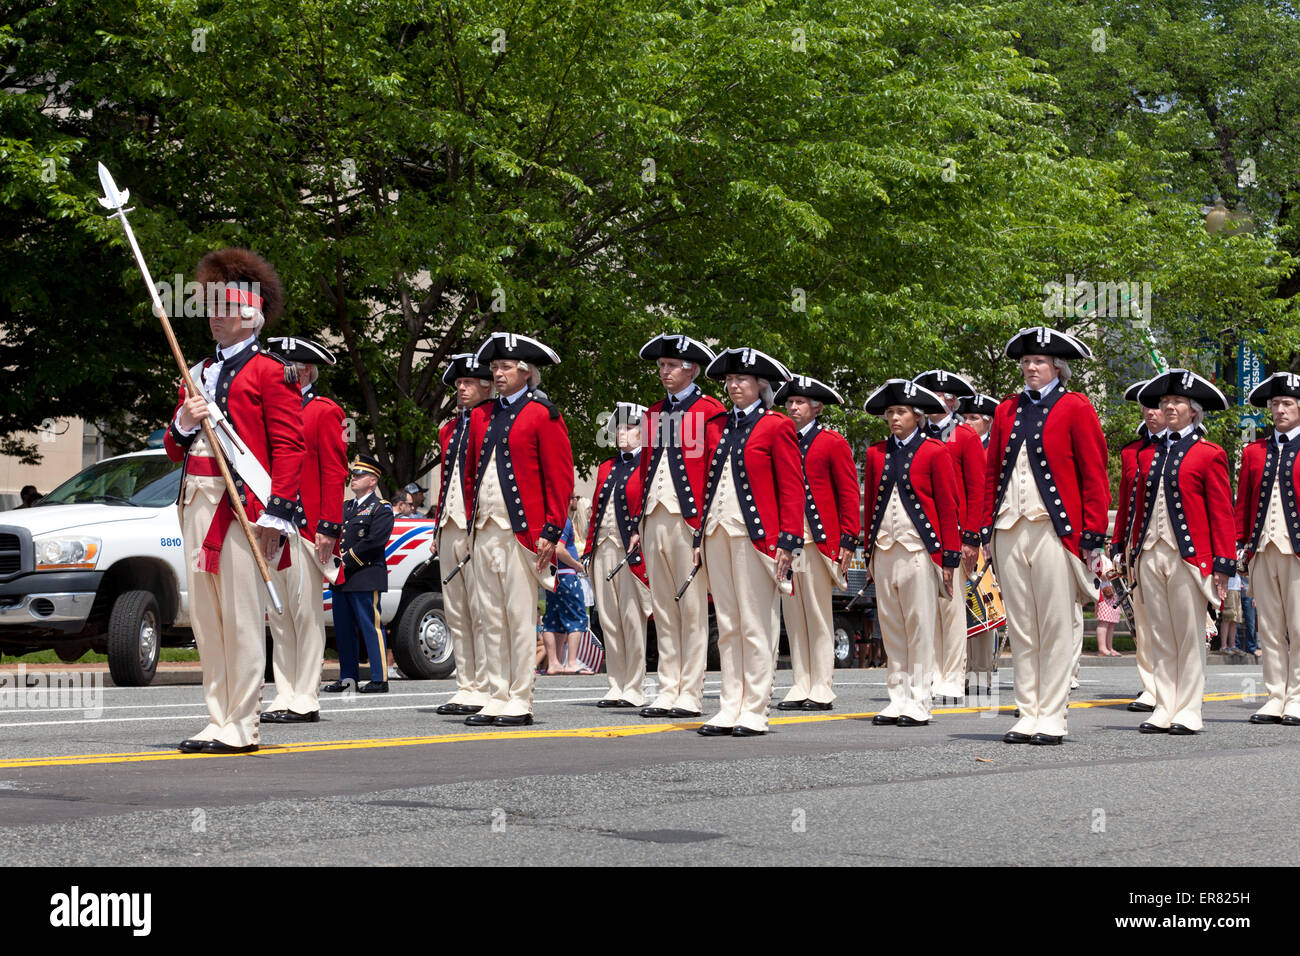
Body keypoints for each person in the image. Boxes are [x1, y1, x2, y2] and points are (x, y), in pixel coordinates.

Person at [163, 248, 305, 754]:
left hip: (244, 505)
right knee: (207, 618)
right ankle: (217, 716)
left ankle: (242, 723)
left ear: (251, 314)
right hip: (196, 503)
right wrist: (183, 420)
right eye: (210, 307)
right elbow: (175, 445)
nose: (213, 317)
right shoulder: (196, 371)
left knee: (244, 618)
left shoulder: (274, 372)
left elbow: (290, 447)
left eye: (224, 308)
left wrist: (277, 514)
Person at [980, 327, 1110, 746]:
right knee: (1020, 625)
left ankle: (1052, 714)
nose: (1029, 368)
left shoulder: (1076, 407)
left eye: (1037, 362)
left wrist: (1092, 535)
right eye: (1025, 362)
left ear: (1057, 367)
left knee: (1055, 625)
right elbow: (991, 475)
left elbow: (1094, 474)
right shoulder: (1006, 411)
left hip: (1055, 531)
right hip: (1008, 528)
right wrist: (982, 530)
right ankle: (1028, 710)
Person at [691, 347, 804, 737]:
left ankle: (755, 708)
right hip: (717, 533)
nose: (733, 385)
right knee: (728, 624)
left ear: (761, 385)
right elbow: (707, 483)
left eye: (742, 379)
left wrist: (789, 541)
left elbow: (792, 487)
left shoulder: (777, 425)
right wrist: (697, 533)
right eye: (730, 380)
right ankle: (729, 705)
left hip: (757, 538)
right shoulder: (716, 426)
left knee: (756, 623)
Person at [463, 332, 574, 727]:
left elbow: (559, 478)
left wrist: (551, 529)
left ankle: (520, 698)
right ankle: (496, 694)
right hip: (485, 529)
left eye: (505, 367)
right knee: (489, 615)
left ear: (526, 372)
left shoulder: (544, 415)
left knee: (519, 614)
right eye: (494, 368)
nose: (498, 373)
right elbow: (470, 476)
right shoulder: (481, 416)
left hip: (523, 533)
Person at [1128, 370, 1233, 735]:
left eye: (1177, 402)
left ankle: (1189, 708)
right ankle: (1164, 704)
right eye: (1165, 402)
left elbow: (1221, 513)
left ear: (1194, 412)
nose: (1169, 407)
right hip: (1151, 552)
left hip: (1189, 557)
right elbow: (1139, 508)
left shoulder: (1209, 454)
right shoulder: (1149, 453)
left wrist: (1223, 564)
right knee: (1159, 633)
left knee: (1188, 634)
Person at [629, 333, 726, 720]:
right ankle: (667, 689)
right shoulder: (653, 414)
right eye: (661, 366)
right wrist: (638, 521)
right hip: (654, 517)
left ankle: (691, 692)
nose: (664, 372)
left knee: (690, 608)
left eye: (671, 366)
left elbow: (715, 472)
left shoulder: (710, 411)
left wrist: (704, 525)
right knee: (664, 608)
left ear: (691, 369)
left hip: (689, 520)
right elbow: (647, 468)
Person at [862, 379, 960, 727]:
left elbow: (948, 508)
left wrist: (949, 559)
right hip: (884, 551)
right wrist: (868, 552)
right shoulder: (875, 453)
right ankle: (897, 698)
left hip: (919, 551)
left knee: (919, 626)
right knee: (891, 627)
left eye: (900, 411)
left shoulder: (935, 451)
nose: (893, 418)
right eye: (889, 412)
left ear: (917, 416)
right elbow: (871, 504)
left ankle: (919, 700)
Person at [261, 336, 348, 724]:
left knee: (304, 612)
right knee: (278, 614)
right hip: (272, 523)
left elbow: (334, 472)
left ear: (307, 370)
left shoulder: (325, 411)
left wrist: (329, 527)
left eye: (288, 365)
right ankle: (284, 692)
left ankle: (306, 695)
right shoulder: (269, 408)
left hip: (306, 525)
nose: (281, 371)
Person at [773, 374, 860, 712]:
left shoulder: (832, 442)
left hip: (818, 541)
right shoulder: (781, 440)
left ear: (817, 407)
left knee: (819, 614)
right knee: (793, 617)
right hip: (787, 542)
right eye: (790, 402)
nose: (793, 408)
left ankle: (822, 686)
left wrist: (848, 540)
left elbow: (849, 494)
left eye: (799, 403)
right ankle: (800, 683)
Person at [912, 369, 985, 703]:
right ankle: (929, 672)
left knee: (952, 606)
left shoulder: (965, 435)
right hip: (922, 531)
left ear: (953, 401)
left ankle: (952, 676)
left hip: (955, 530)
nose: (934, 402)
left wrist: (971, 537)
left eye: (941, 396)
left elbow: (977, 488)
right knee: (926, 606)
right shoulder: (918, 434)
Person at [430, 353, 495, 716]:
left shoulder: (493, 421)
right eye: (458, 384)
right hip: (450, 524)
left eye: (468, 383)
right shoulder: (450, 428)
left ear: (486, 384)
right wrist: (439, 524)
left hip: (477, 524)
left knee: (481, 608)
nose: (461, 389)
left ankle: (486, 684)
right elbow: (447, 482)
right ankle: (466, 683)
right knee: (456, 609)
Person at [1234, 371, 1300, 725]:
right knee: (1270, 627)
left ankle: (1298, 696)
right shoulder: (1254, 451)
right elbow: (1243, 502)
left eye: (1287, 403)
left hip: (1296, 549)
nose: (1280, 409)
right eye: (1275, 404)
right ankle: (1276, 695)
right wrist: (1240, 545)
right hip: (1262, 548)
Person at [586, 403, 653, 707]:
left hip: (630, 550)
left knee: (631, 617)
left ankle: (635, 685)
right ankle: (616, 682)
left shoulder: (649, 466)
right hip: (603, 547)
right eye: (620, 429)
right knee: (609, 618)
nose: (622, 434)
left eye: (629, 428)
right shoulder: (606, 467)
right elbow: (596, 512)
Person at [1110, 379, 1166, 713]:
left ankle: (1173, 683)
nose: (1151, 412)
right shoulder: (1132, 451)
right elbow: (1125, 503)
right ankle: (1150, 685)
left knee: (1170, 619)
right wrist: (1117, 543)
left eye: (1157, 405)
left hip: (1171, 545)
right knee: (1142, 619)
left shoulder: (1179, 448)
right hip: (1137, 544)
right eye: (1146, 406)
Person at [322, 454, 395, 693]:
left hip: (364, 574)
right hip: (343, 577)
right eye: (354, 474)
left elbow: (376, 541)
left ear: (373, 481)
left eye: (360, 475)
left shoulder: (380, 508)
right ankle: (348, 678)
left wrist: (346, 560)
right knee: (343, 629)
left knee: (370, 626)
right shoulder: (346, 507)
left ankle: (379, 678)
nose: (353, 478)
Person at [541, 500, 591, 674]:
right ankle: (571, 662)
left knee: (553, 619)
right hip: (567, 574)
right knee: (577, 617)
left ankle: (554, 663)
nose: (576, 500)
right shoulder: (564, 520)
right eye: (573, 496)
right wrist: (578, 566)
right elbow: (559, 549)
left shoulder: (548, 520)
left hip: (552, 575)